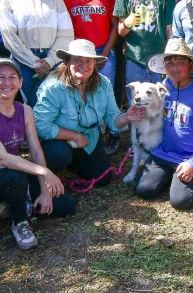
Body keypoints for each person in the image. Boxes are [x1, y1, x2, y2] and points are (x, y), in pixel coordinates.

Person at [0, 59, 72, 249]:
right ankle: (20, 222)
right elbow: (2, 158)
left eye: (12, 77)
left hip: (13, 173)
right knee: (13, 176)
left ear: (20, 82)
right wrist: (44, 172)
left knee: (65, 205)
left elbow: (36, 150)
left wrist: (45, 191)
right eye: (1, 77)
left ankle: (6, 206)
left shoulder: (25, 111)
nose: (7, 83)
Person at [34, 39, 135, 185]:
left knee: (102, 180)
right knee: (58, 156)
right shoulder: (53, 87)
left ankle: (75, 164)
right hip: (59, 140)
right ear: (67, 62)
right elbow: (41, 126)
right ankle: (52, 171)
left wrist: (126, 116)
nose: (84, 65)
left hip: (89, 137)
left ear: (94, 64)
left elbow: (112, 118)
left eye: (89, 61)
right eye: (78, 60)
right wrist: (75, 136)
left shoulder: (104, 83)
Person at [133, 40, 193, 211]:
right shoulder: (163, 88)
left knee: (179, 201)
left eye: (181, 62)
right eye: (169, 63)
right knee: (143, 190)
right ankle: (169, 175)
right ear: (164, 67)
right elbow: (151, 116)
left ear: (191, 65)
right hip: (164, 153)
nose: (175, 68)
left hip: (191, 156)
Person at [0, 0, 74, 104]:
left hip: (53, 59)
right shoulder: (9, 0)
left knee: (54, 103)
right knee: (30, 105)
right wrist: (34, 62)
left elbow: (66, 34)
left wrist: (50, 61)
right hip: (23, 61)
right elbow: (10, 37)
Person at [115, 0, 178, 87]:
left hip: (160, 61)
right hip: (134, 60)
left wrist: (169, 58)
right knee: (136, 106)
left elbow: (170, 29)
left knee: (160, 105)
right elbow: (120, 31)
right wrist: (128, 23)